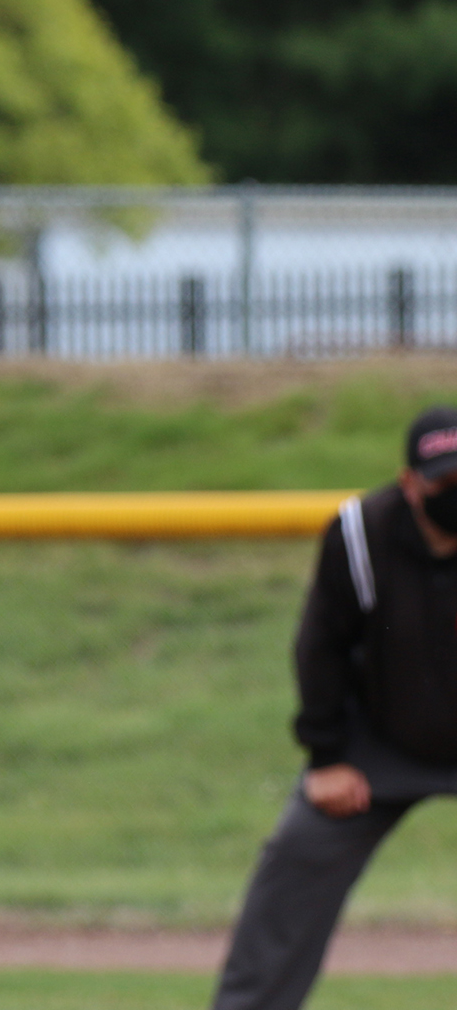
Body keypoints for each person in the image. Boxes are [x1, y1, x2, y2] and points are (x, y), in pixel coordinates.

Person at [212, 406, 457, 1009]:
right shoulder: (360, 533)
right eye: (445, 482)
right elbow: (319, 644)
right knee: (295, 863)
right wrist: (327, 757)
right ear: (410, 483)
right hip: (380, 738)